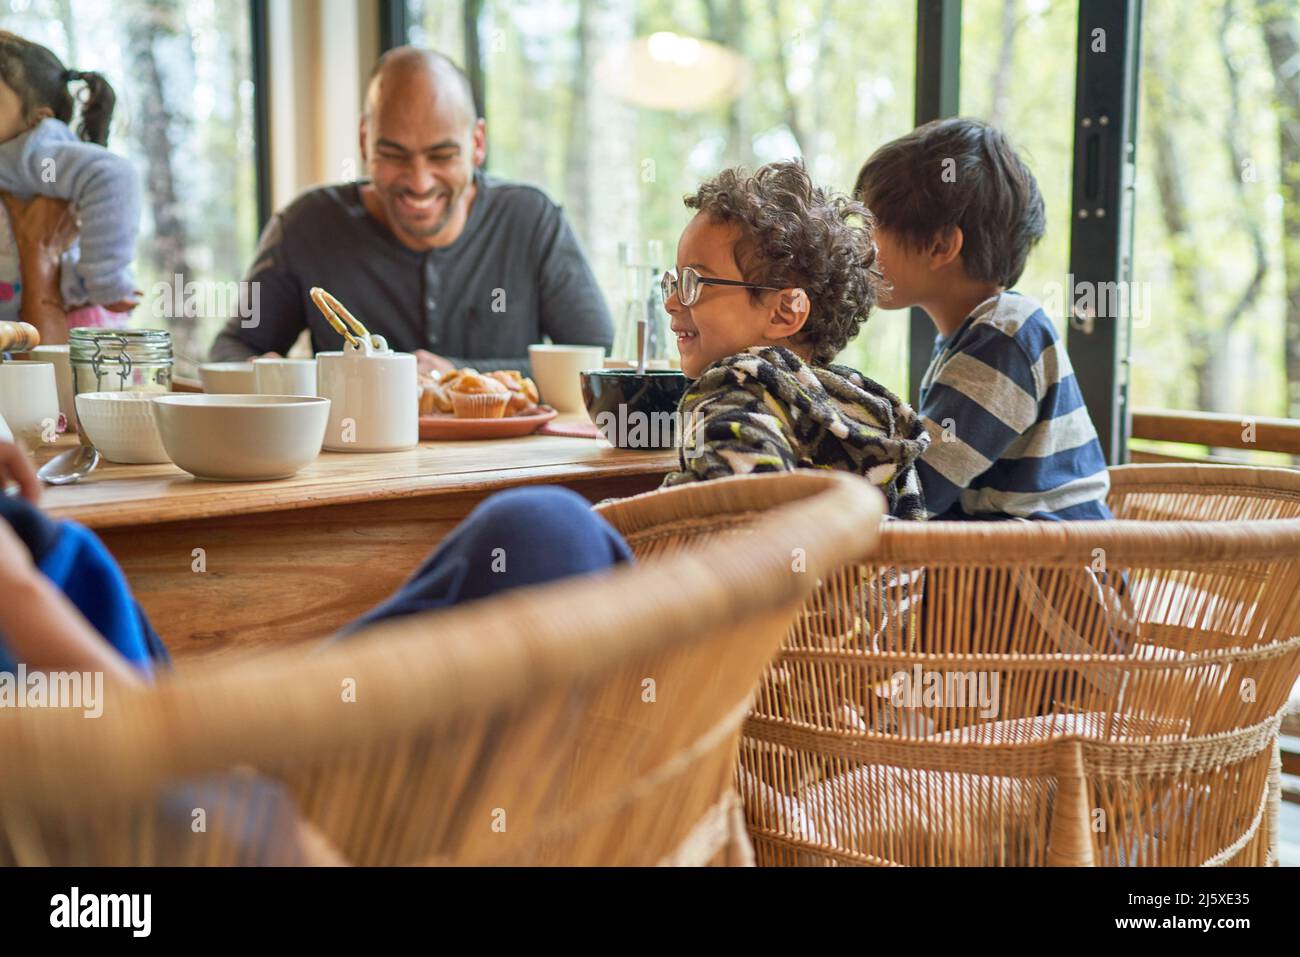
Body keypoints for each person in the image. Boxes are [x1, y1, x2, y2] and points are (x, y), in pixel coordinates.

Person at [208, 46, 612, 375]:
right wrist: (263, 372)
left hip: (512, 469)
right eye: (393, 154)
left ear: (477, 143)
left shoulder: (530, 218)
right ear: (365, 141)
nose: (419, 182)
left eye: (442, 155)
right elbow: (232, 347)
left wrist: (456, 374)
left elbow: (597, 358)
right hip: (359, 470)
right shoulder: (306, 225)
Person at [854, 117, 1112, 521]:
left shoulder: (1005, 336)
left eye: (870, 227)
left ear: (941, 246)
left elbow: (918, 490)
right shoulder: (977, 336)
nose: (858, 247)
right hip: (1007, 570)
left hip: (1052, 577)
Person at [659, 159, 928, 520]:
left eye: (696, 282)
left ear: (785, 312)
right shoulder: (872, 414)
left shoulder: (736, 389)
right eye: (675, 281)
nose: (672, 301)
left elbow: (730, 531)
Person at [0, 31, 140, 340]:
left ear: (37, 120)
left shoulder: (38, 156)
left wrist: (105, 278)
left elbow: (111, 175)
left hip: (69, 326)